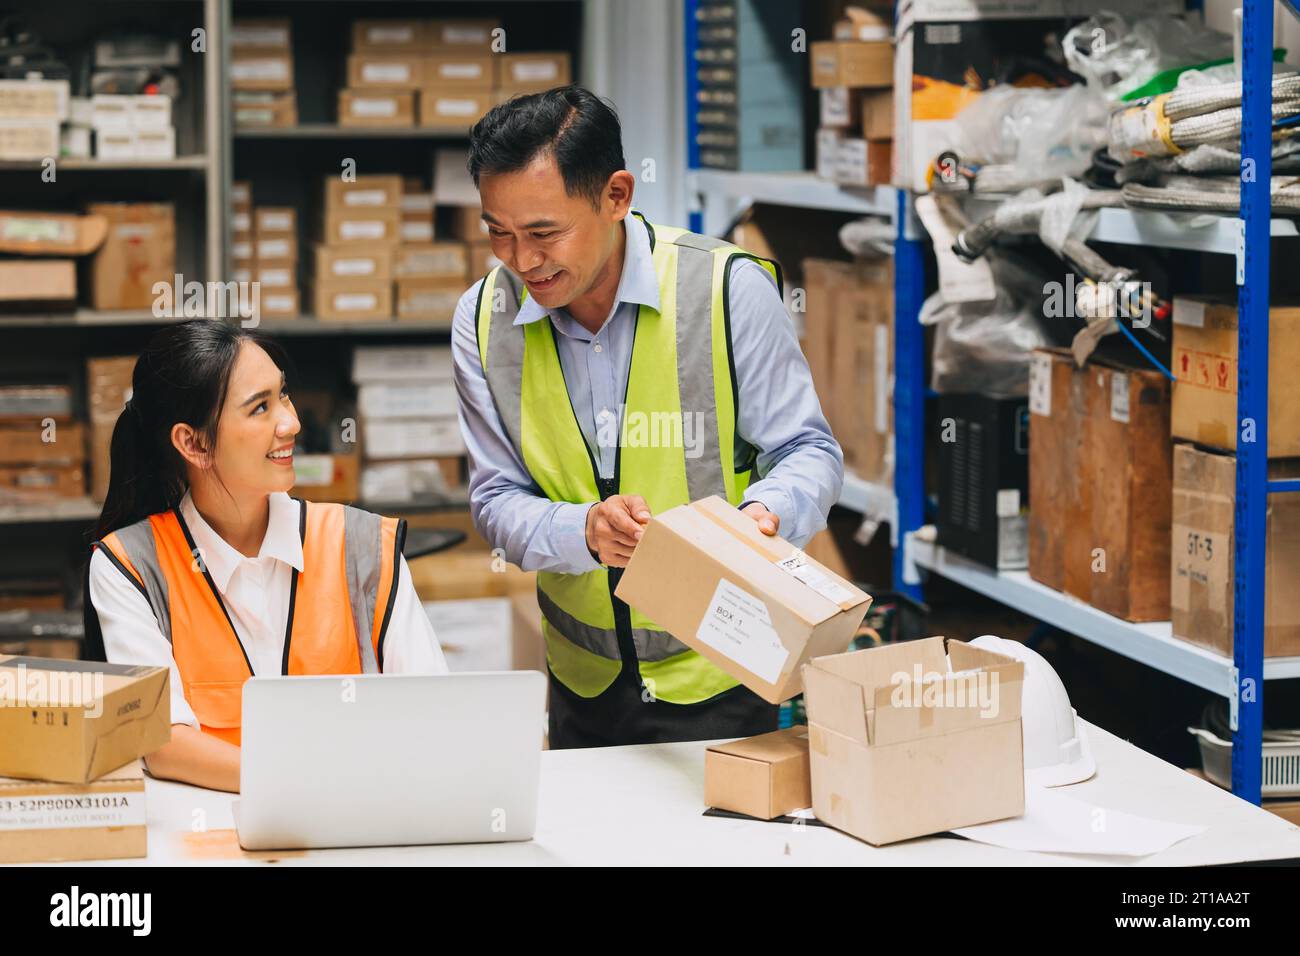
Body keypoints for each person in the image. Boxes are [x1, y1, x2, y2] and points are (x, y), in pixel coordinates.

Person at [452, 86, 843, 749]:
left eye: (544, 232)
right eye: (499, 233)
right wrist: (582, 530)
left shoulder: (726, 289)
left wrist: (763, 520)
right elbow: (494, 498)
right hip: (582, 682)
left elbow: (807, 448)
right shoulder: (483, 320)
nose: (523, 261)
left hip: (722, 669)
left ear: (616, 195)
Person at [84, 320, 447, 792]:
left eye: (284, 395)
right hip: (205, 841)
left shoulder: (361, 544)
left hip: (357, 830)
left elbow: (434, 708)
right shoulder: (130, 565)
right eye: (260, 407)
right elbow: (163, 742)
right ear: (193, 443)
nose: (291, 422)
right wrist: (313, 782)